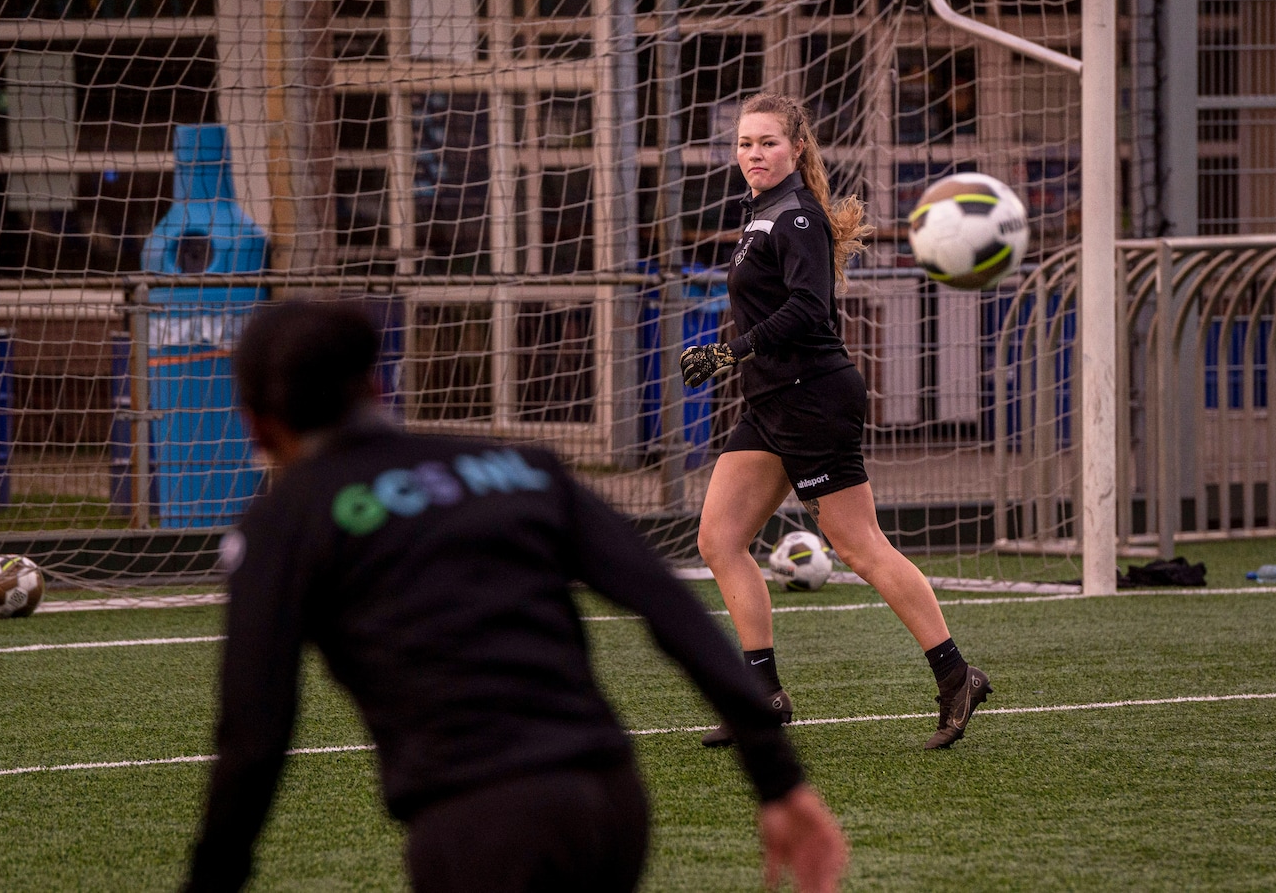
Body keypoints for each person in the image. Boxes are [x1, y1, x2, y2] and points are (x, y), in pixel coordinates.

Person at [182, 300, 848, 893]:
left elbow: (254, 734)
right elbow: (670, 607)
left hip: (478, 825)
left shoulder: (282, 523)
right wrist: (779, 780)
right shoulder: (520, 469)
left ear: (258, 426)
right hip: (611, 805)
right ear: (378, 386)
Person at [679, 92, 992, 751]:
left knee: (858, 545)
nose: (754, 154)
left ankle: (956, 675)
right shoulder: (760, 213)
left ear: (795, 148)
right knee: (719, 539)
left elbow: (810, 309)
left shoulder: (796, 218)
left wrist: (728, 350)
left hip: (813, 399)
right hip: (772, 403)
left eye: (767, 142)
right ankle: (761, 694)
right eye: (744, 143)